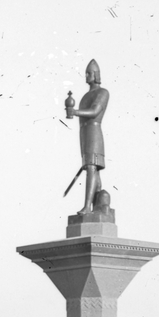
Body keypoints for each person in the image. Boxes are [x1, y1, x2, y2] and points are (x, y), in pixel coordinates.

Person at [64, 58, 110, 215]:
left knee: (91, 167)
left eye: (90, 73)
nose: (87, 75)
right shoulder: (85, 96)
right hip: (84, 133)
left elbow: (95, 111)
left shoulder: (102, 93)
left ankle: (87, 207)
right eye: (86, 73)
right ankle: (98, 204)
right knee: (91, 169)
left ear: (96, 74)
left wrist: (74, 112)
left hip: (94, 132)